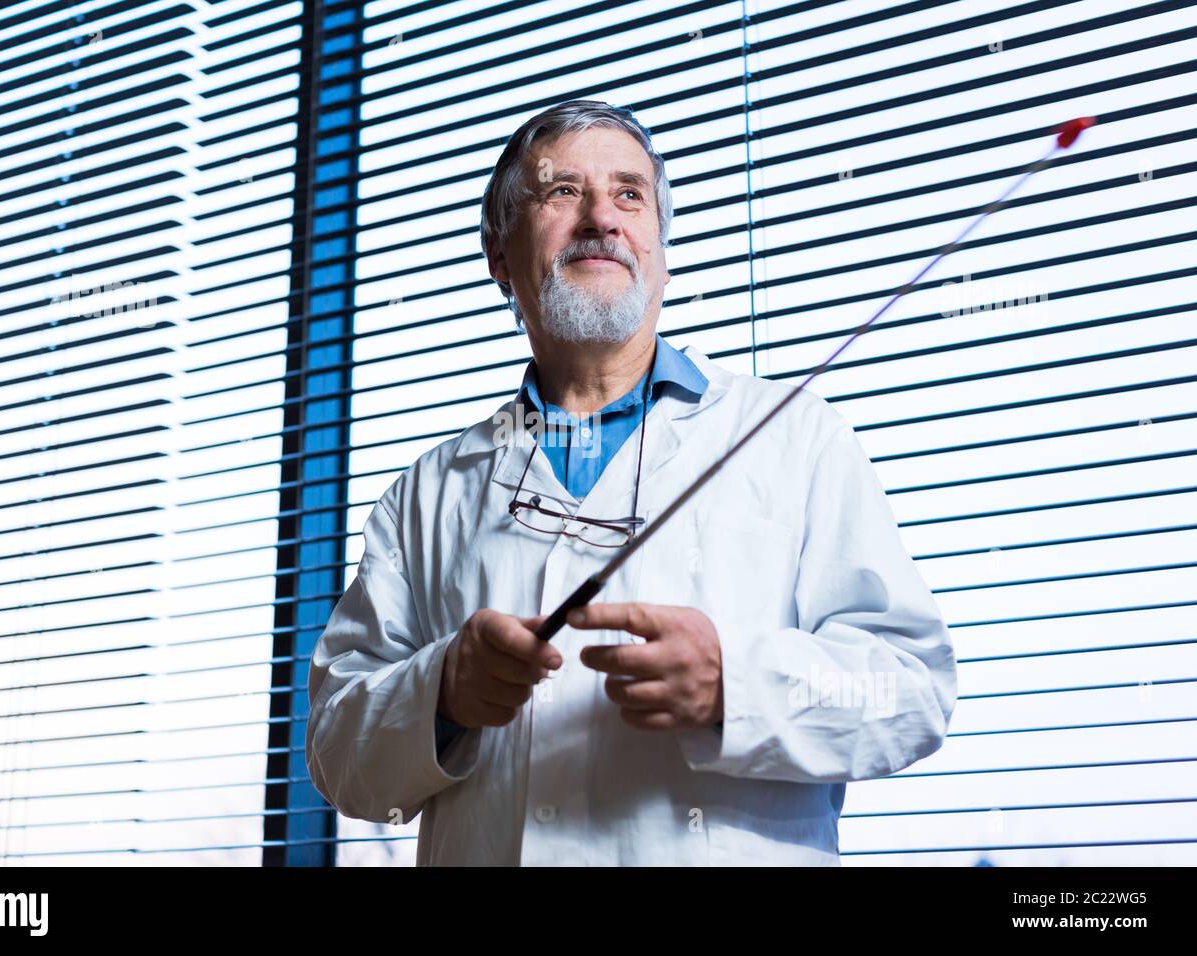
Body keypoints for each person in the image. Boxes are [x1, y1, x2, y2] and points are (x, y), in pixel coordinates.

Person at [305, 99, 957, 866]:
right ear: (499, 254)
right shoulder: (424, 497)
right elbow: (340, 756)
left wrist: (735, 687)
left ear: (660, 250)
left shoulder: (796, 437)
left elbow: (909, 694)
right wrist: (441, 691)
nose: (600, 220)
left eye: (629, 194)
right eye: (561, 192)